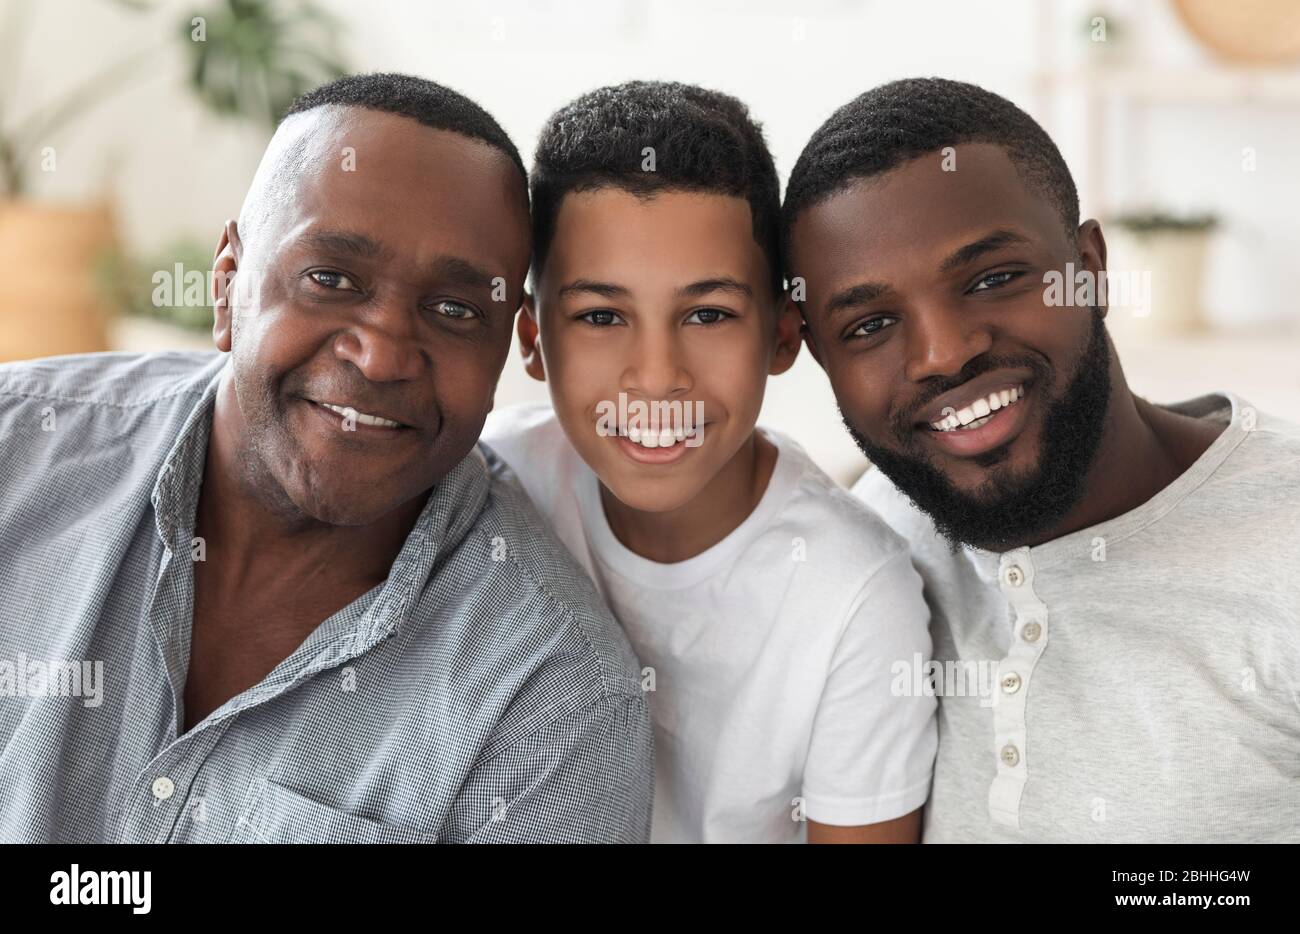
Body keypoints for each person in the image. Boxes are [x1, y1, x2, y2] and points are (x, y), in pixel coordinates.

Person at [0, 73, 653, 844]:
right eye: (331, 279)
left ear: (508, 346)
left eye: (454, 310)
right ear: (227, 285)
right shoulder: (18, 450)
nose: (380, 355)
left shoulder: (552, 703)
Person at [783, 77, 1300, 842]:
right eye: (870, 324)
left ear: (1088, 267)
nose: (942, 353)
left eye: (994, 280)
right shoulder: (872, 544)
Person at [481, 81, 936, 843]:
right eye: (600, 316)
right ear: (531, 341)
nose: (657, 376)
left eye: (708, 314)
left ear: (784, 336)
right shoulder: (491, 489)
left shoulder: (855, 597)